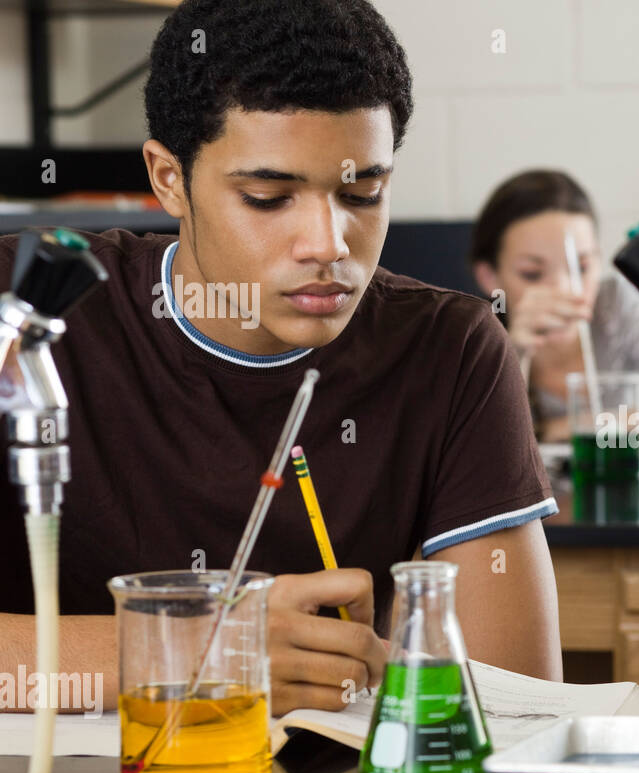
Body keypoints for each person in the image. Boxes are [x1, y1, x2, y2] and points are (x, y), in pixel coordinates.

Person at [0, 0, 563, 716]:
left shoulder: (450, 350)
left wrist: (393, 672)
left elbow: (519, 710)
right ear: (168, 177)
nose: (327, 242)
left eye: (364, 192)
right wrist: (206, 650)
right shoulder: (24, 306)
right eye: (269, 197)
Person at [469, 170, 639, 441]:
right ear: (490, 277)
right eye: (532, 274)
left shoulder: (617, 302)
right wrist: (515, 353)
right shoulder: (476, 340)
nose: (565, 290)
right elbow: (483, 448)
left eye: (582, 267)